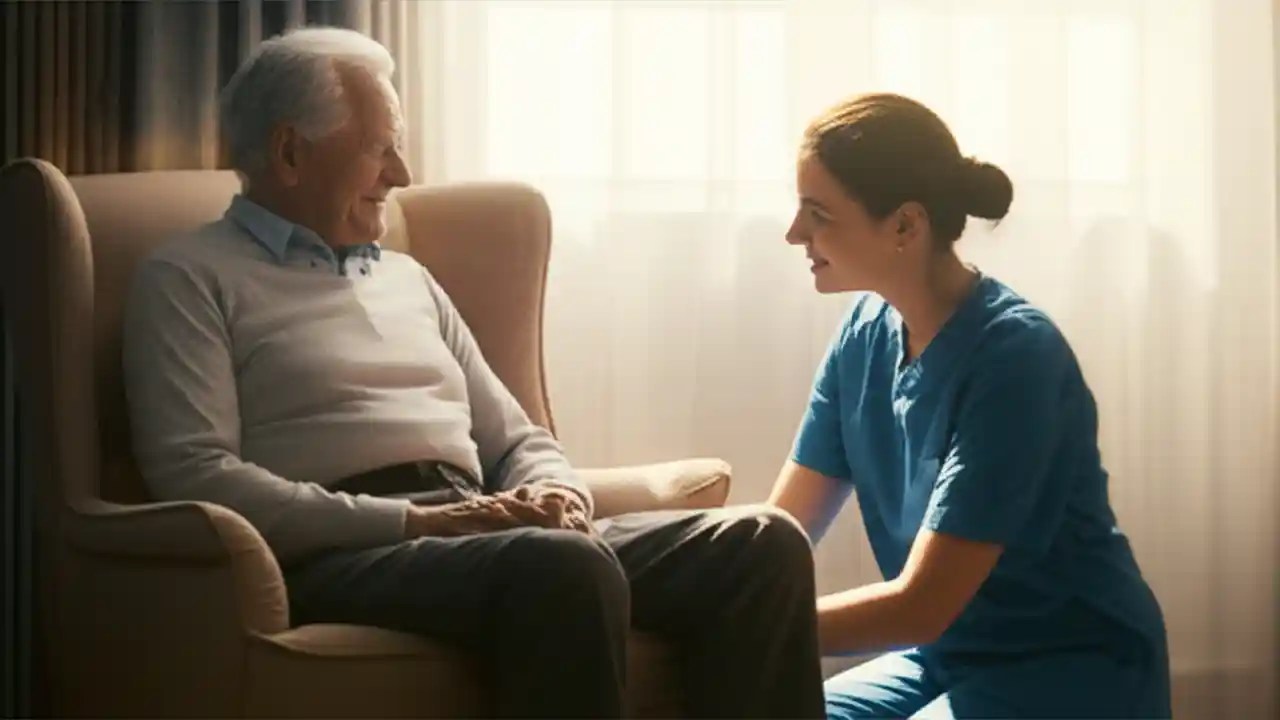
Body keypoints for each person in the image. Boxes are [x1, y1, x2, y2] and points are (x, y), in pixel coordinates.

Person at [121, 27, 824, 719]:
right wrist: (416, 522)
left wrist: (554, 493)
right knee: (559, 568)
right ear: (289, 152)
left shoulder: (408, 278)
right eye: (379, 148)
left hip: (486, 535)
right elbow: (197, 473)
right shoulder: (190, 276)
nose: (400, 172)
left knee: (762, 545)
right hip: (347, 550)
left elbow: (515, 436)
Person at [766, 93, 1172, 719]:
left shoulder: (1015, 358)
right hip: (943, 653)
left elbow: (921, 604)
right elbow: (782, 536)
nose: (795, 233)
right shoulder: (862, 335)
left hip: (1073, 662)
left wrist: (744, 630)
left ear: (905, 225)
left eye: (817, 213)